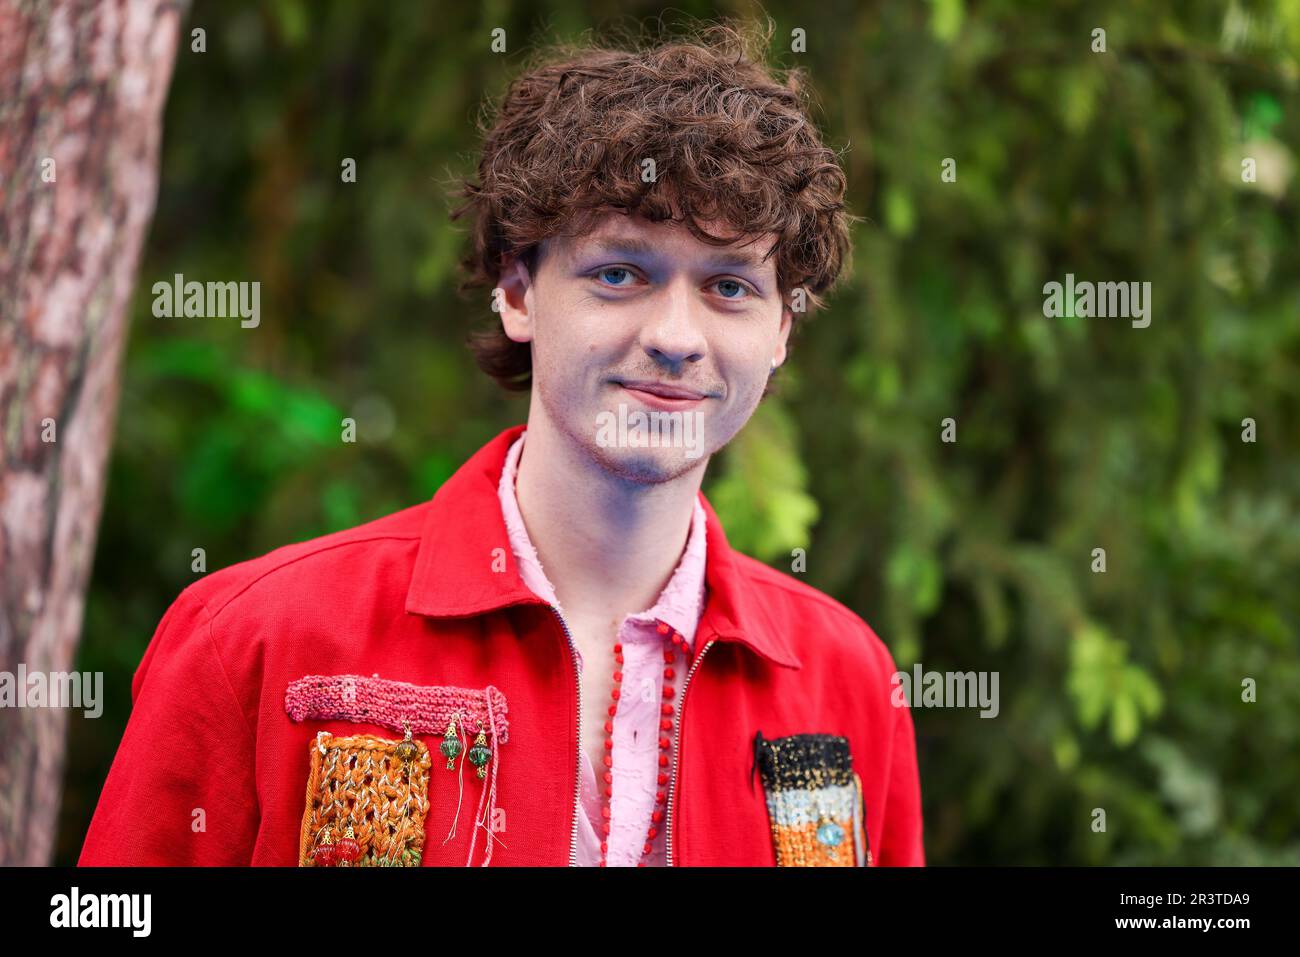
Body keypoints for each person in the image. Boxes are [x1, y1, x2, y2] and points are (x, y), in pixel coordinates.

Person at [79, 21, 923, 867]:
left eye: (729, 285)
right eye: (619, 273)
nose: (675, 334)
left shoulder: (845, 682)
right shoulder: (259, 640)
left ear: (782, 327)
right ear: (518, 293)